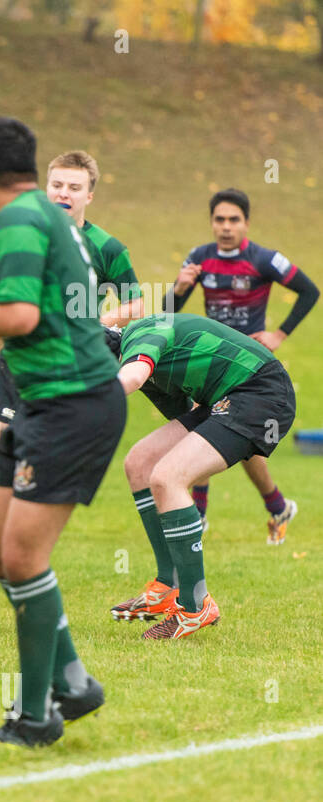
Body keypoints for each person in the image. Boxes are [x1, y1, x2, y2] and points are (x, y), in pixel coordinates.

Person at [0, 117, 125, 748]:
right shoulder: (40, 212)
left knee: (25, 557)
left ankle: (37, 713)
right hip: (41, 402)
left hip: (74, 404)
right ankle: (73, 680)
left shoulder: (17, 221)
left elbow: (24, 313)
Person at [0, 148, 143, 589]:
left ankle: (18, 552)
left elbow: (136, 302)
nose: (64, 193)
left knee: (34, 468)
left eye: (74, 187)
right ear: (45, 187)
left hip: (70, 375)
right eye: (57, 185)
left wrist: (95, 323)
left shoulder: (107, 247)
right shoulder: (36, 231)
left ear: (90, 195)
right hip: (20, 360)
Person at [106, 315, 295, 638]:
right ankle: (169, 585)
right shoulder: (148, 366)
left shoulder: (143, 336)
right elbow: (180, 410)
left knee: (167, 477)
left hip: (261, 393)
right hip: (226, 398)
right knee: (141, 462)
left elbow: (132, 377)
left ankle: (195, 607)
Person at [168, 188, 317, 544]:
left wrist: (280, 333)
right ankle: (264, 508)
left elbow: (310, 291)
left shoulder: (264, 259)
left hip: (252, 369)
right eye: (219, 219)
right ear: (212, 223)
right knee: (206, 430)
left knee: (235, 441)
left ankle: (264, 508)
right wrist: (178, 288)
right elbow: (168, 315)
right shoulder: (199, 258)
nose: (226, 226)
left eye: (233, 219)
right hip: (211, 364)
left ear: (246, 223)